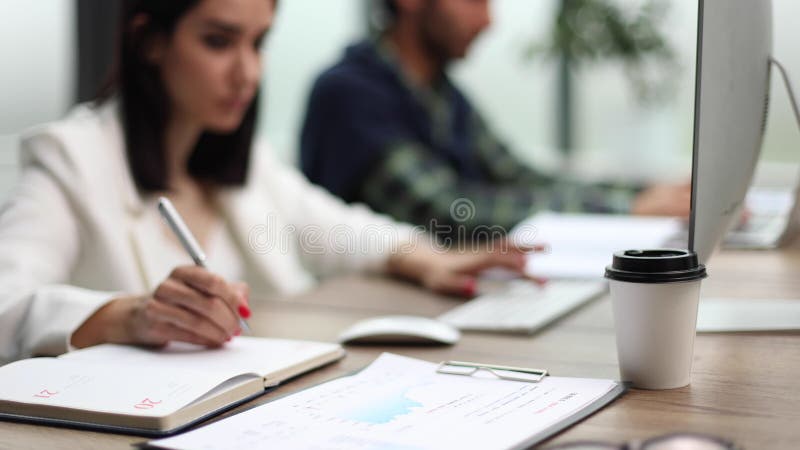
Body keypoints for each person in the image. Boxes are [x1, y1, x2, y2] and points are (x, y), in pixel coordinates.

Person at [0, 0, 534, 363]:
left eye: (258, 43)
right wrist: (132, 315)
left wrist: (428, 259)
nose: (248, 73)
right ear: (149, 41)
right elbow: (7, 305)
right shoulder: (71, 159)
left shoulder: (243, 165)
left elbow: (341, 229)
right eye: (218, 42)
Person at [300, 0, 691, 240]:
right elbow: (450, 213)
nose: (489, 20)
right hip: (361, 320)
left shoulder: (443, 96)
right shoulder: (349, 95)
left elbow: (522, 176)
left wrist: (642, 194)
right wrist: (625, 211)